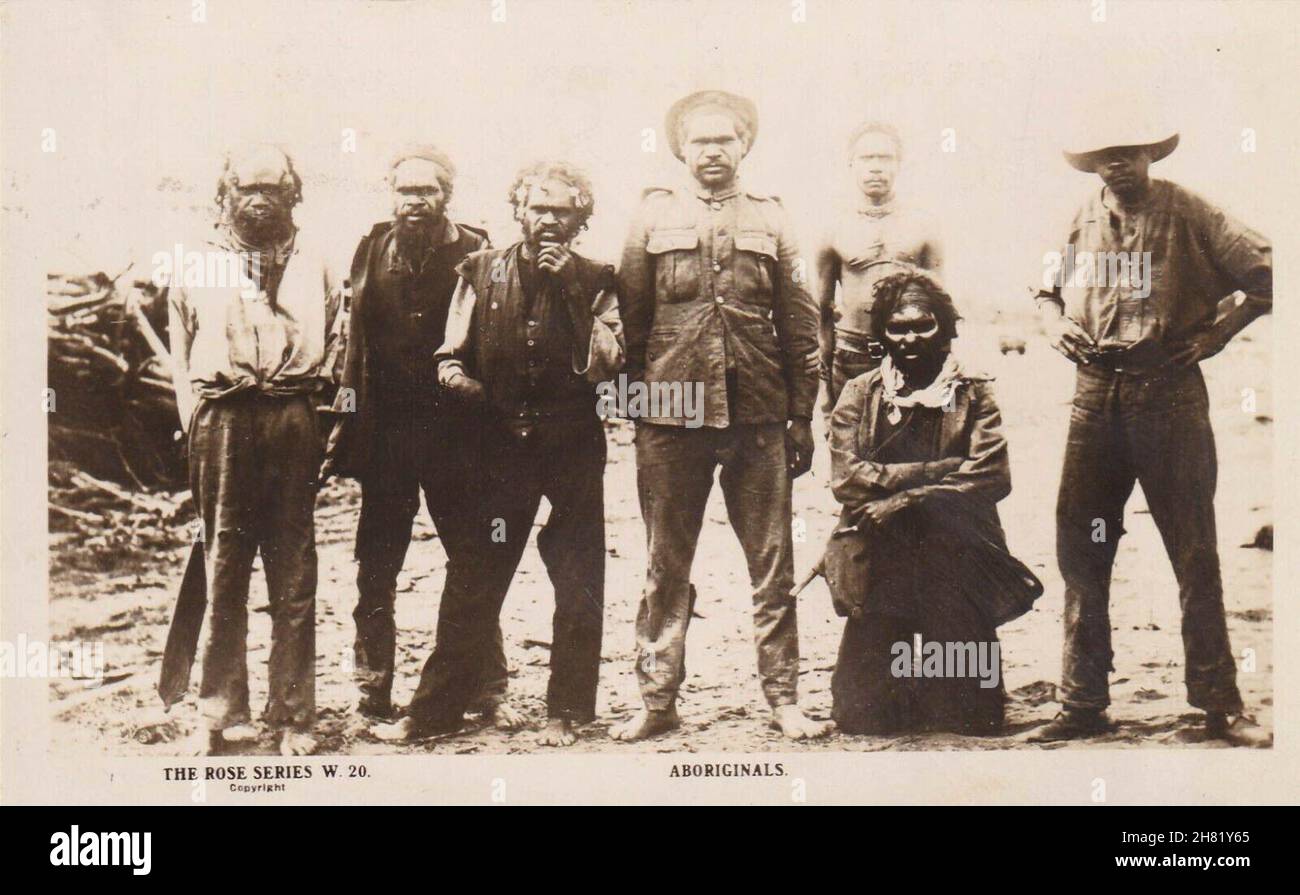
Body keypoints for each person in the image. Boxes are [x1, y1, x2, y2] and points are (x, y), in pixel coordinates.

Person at [1029, 127, 1272, 745]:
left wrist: (1217, 335)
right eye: (1105, 155)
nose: (1118, 165)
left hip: (1167, 391)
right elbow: (1043, 289)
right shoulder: (1080, 216)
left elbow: (1268, 271)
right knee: (1082, 549)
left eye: (1128, 153)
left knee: (1193, 549)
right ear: (1092, 164)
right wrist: (1053, 322)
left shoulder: (1189, 209)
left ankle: (1220, 704)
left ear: (1149, 156)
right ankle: (1082, 703)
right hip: (1094, 395)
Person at [374, 161, 623, 747]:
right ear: (519, 211)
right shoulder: (479, 270)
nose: (548, 220)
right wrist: (459, 380)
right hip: (501, 447)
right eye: (537, 208)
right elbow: (450, 351)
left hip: (572, 446)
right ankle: (432, 714)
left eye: (561, 210)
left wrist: (568, 291)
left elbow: (609, 364)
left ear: (579, 218)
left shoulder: (598, 278)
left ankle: (569, 711)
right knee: (475, 575)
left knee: (579, 575)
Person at [614, 90, 829, 741]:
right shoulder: (652, 216)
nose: (712, 151)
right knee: (664, 562)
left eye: (724, 140)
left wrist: (801, 415)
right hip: (669, 416)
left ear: (744, 146)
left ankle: (784, 697)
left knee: (772, 562)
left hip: (757, 414)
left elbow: (800, 324)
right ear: (681, 148)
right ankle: (657, 699)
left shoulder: (772, 219)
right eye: (700, 140)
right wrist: (638, 409)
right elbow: (630, 316)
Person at [321, 147, 522, 729]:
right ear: (392, 194)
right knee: (376, 566)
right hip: (386, 434)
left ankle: (486, 688)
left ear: (446, 195)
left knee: (471, 560)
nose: (414, 202)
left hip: (456, 436)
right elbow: (353, 345)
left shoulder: (478, 251)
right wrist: (347, 421)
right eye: (404, 191)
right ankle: (372, 688)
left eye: (426, 192)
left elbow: (493, 337)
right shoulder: (372, 248)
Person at [167, 145, 343, 756]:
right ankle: (218, 713)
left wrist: (319, 423)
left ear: (293, 194)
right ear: (227, 195)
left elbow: (338, 340)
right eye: (247, 189)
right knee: (224, 567)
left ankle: (295, 716)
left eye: (273, 188)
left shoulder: (316, 261)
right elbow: (180, 353)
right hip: (223, 418)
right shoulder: (197, 263)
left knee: (294, 570)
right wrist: (196, 423)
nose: (260, 199)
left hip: (292, 416)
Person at [827, 269, 1033, 735]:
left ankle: (944, 683)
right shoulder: (859, 393)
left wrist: (905, 500)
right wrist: (943, 470)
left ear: (946, 327)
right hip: (882, 551)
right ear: (882, 332)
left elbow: (991, 475)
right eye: (897, 327)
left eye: (924, 325)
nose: (910, 338)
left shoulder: (974, 390)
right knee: (863, 715)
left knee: (968, 717)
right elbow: (846, 478)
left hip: (957, 549)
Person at [815, 121, 943, 419]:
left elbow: (941, 309)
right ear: (851, 164)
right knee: (849, 451)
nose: (875, 167)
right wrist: (824, 390)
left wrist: (941, 370)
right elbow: (820, 312)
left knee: (910, 453)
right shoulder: (834, 226)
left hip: (912, 353)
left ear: (899, 164)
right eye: (866, 158)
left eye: (884, 158)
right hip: (852, 356)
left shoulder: (923, 225)